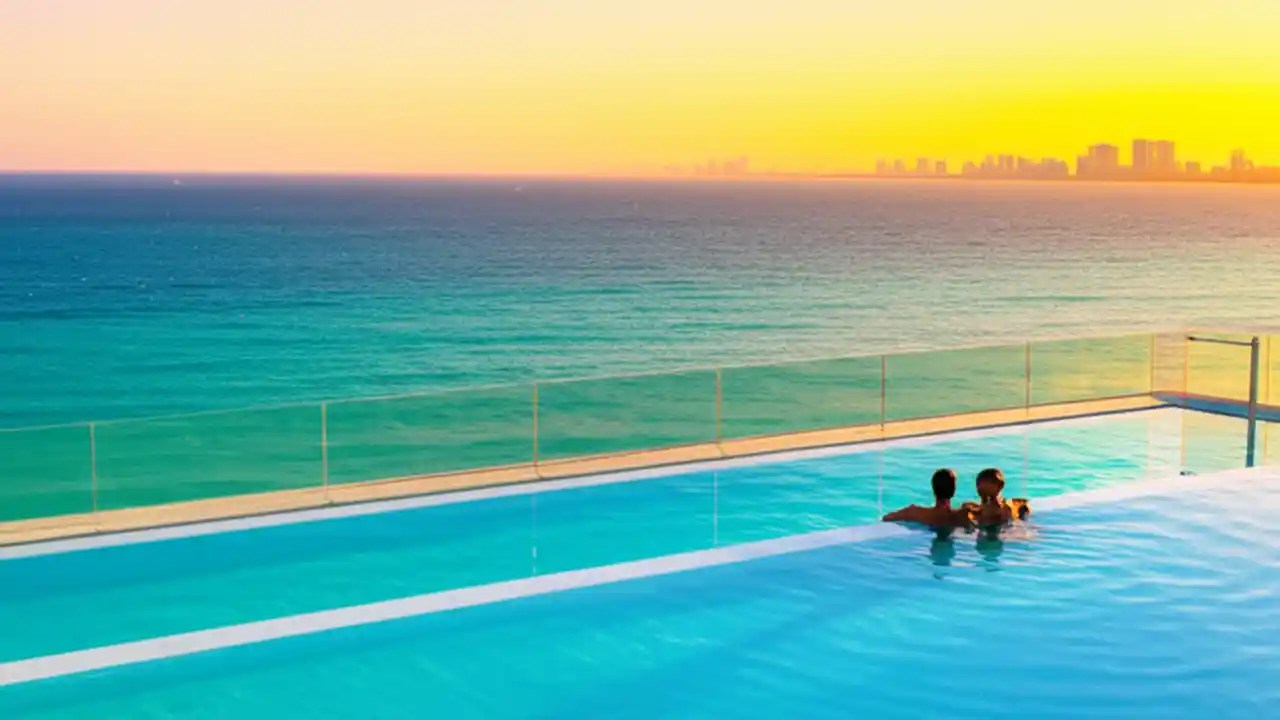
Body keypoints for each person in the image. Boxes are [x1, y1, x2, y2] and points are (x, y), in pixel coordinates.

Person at [883, 468, 968, 528]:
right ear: (953, 491)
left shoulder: (915, 512)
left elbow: (886, 518)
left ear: (933, 489)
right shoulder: (962, 516)